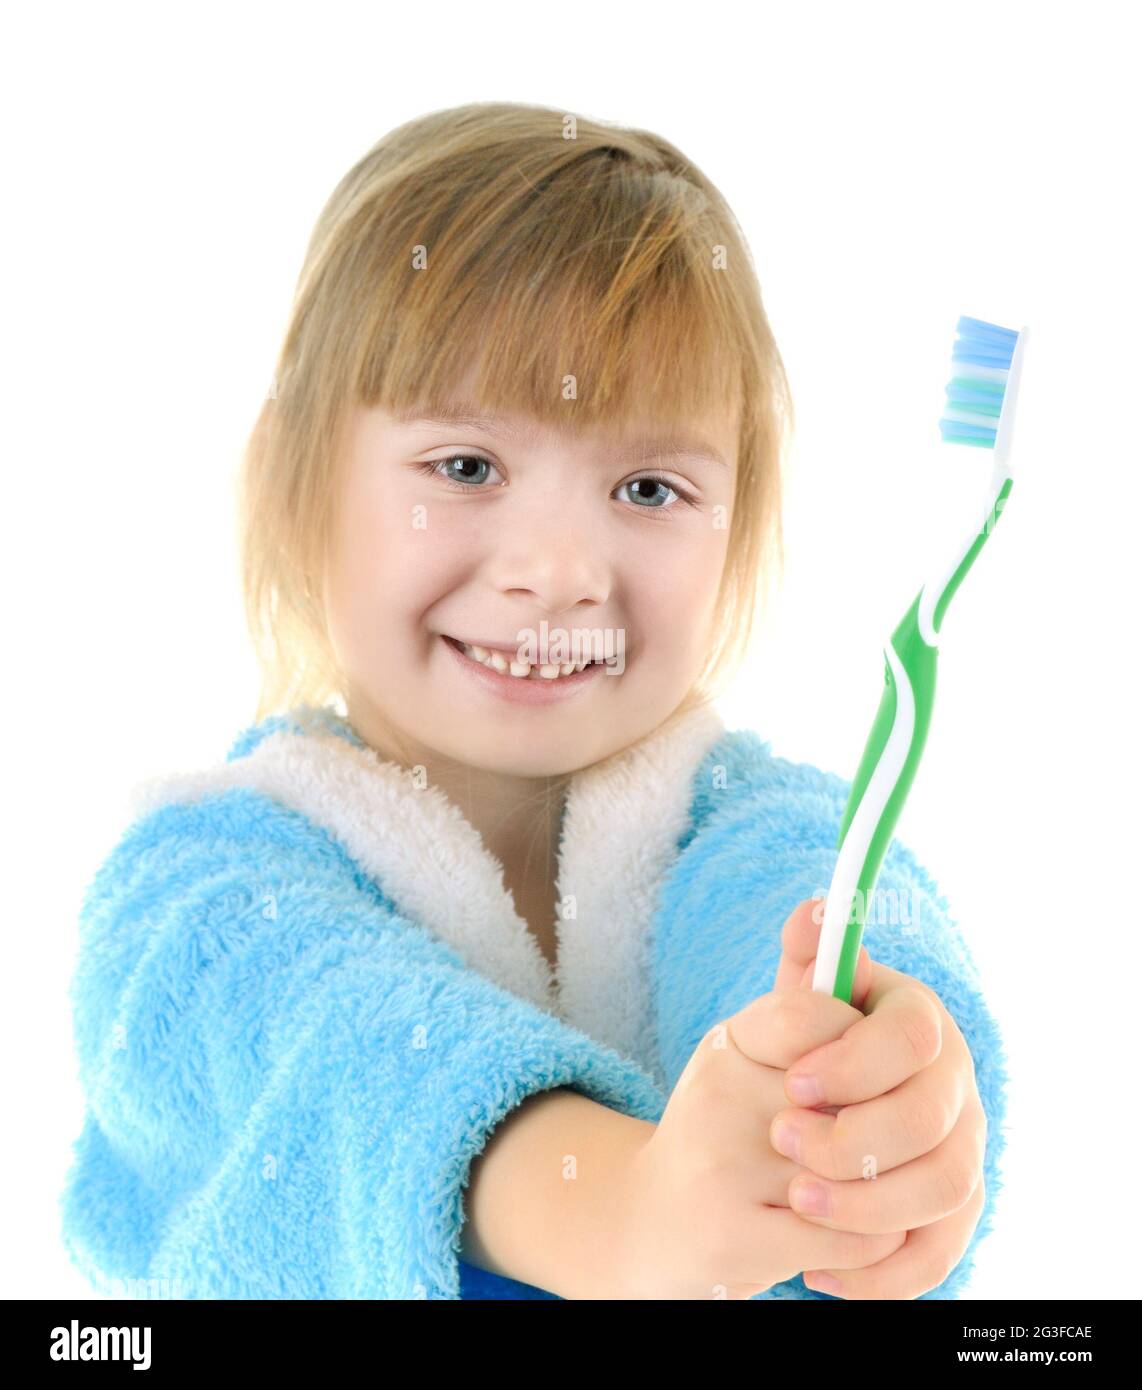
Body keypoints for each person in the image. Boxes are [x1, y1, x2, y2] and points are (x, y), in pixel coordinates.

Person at [59, 101, 1006, 1300]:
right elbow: (338, 1054)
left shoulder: (750, 829)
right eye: (464, 466)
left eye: (648, 486)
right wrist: (629, 1207)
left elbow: (824, 914)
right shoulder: (194, 900)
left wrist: (887, 1110)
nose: (556, 568)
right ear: (297, 486)